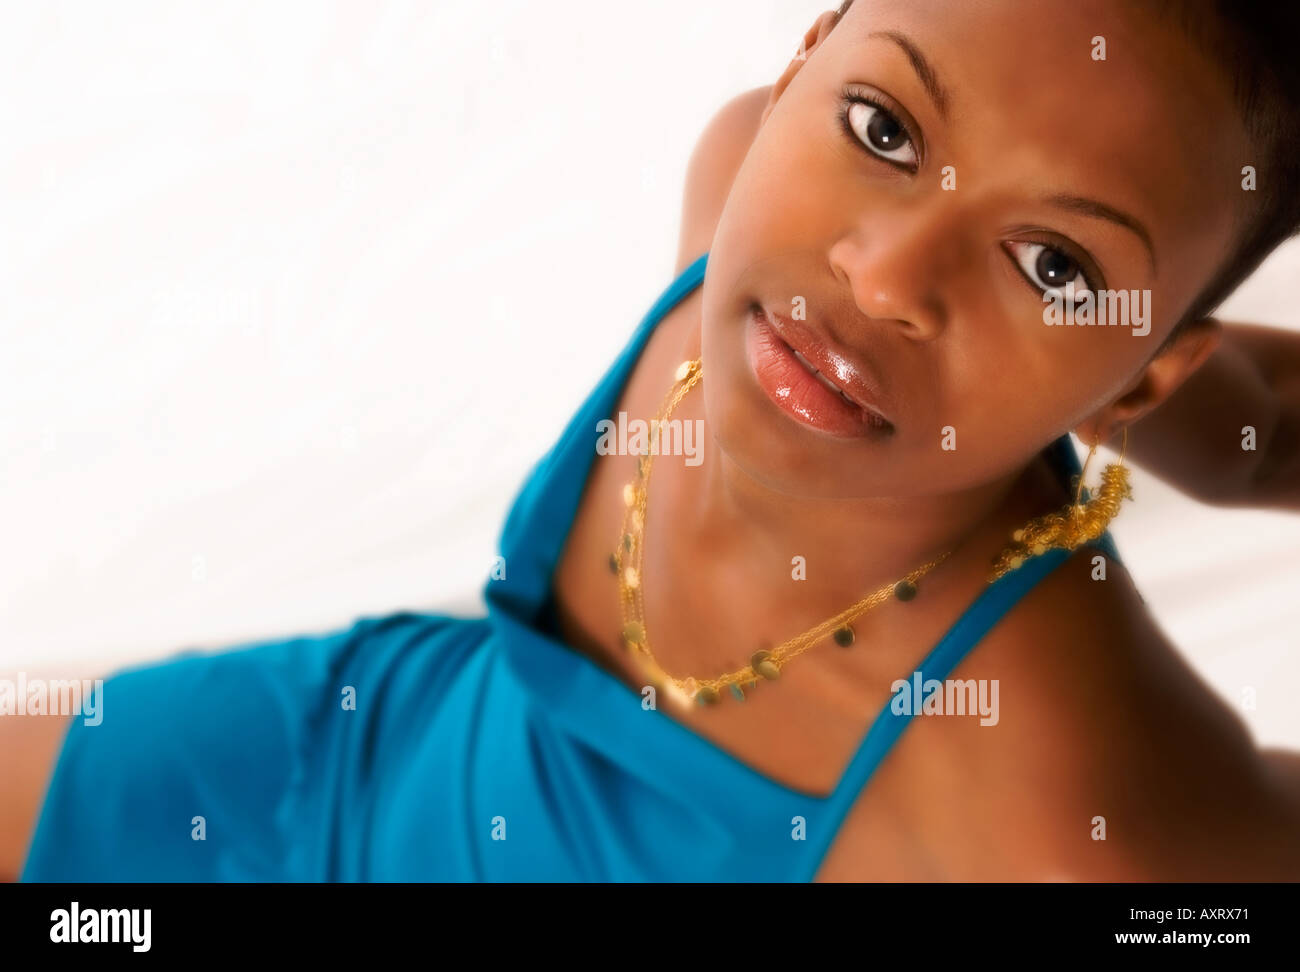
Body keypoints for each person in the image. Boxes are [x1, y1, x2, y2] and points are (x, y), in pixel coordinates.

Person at [6, 0, 1300, 881]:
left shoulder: (1072, 793)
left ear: (1142, 382)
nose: (882, 272)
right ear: (804, 63)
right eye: (885, 130)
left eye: (1055, 266)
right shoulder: (736, 177)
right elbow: (1253, 437)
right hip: (338, 756)